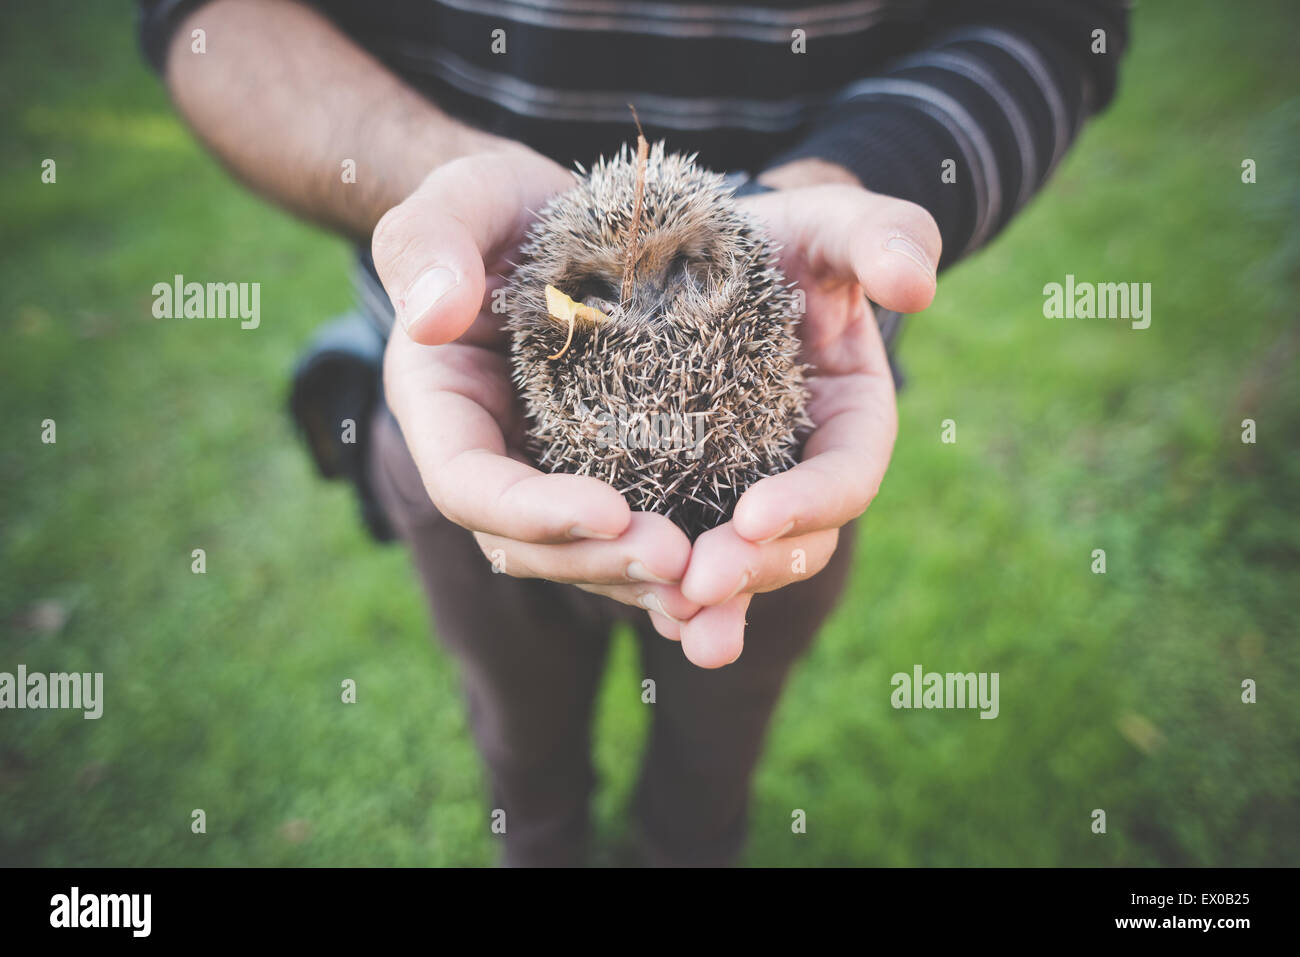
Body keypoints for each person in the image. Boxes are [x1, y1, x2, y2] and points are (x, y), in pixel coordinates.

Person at [139, 0, 1128, 866]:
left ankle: (684, 850)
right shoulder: (539, 308)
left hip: (775, 484)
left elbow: (1053, 19)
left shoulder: (734, 301)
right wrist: (437, 180)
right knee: (519, 727)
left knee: (715, 736)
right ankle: (541, 842)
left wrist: (854, 178)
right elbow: (204, 15)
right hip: (456, 402)